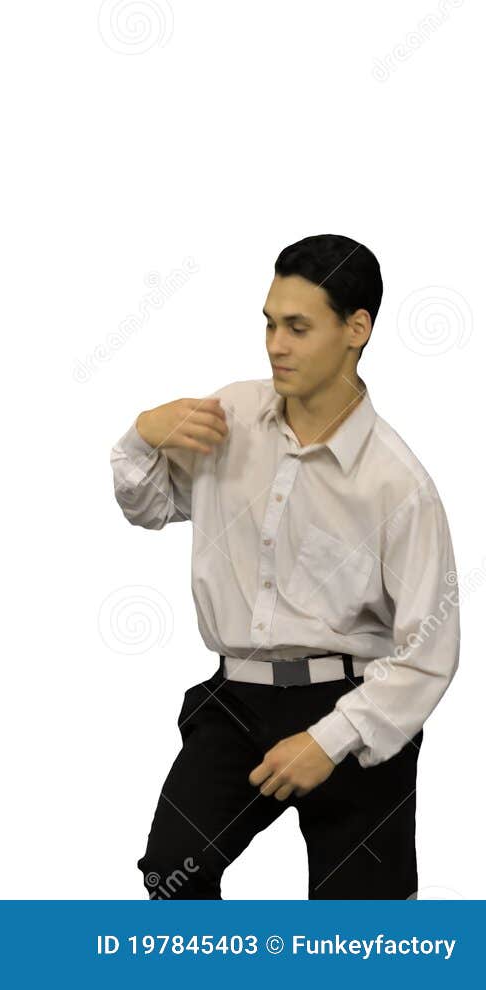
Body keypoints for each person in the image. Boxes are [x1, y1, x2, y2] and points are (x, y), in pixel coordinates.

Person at [110, 234, 458, 899]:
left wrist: (329, 740)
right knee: (171, 873)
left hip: (357, 707)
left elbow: (428, 652)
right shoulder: (232, 414)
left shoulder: (397, 484)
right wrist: (141, 434)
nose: (275, 344)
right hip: (235, 699)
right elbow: (151, 507)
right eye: (269, 323)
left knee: (360, 926)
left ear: (357, 330)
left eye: (298, 327)